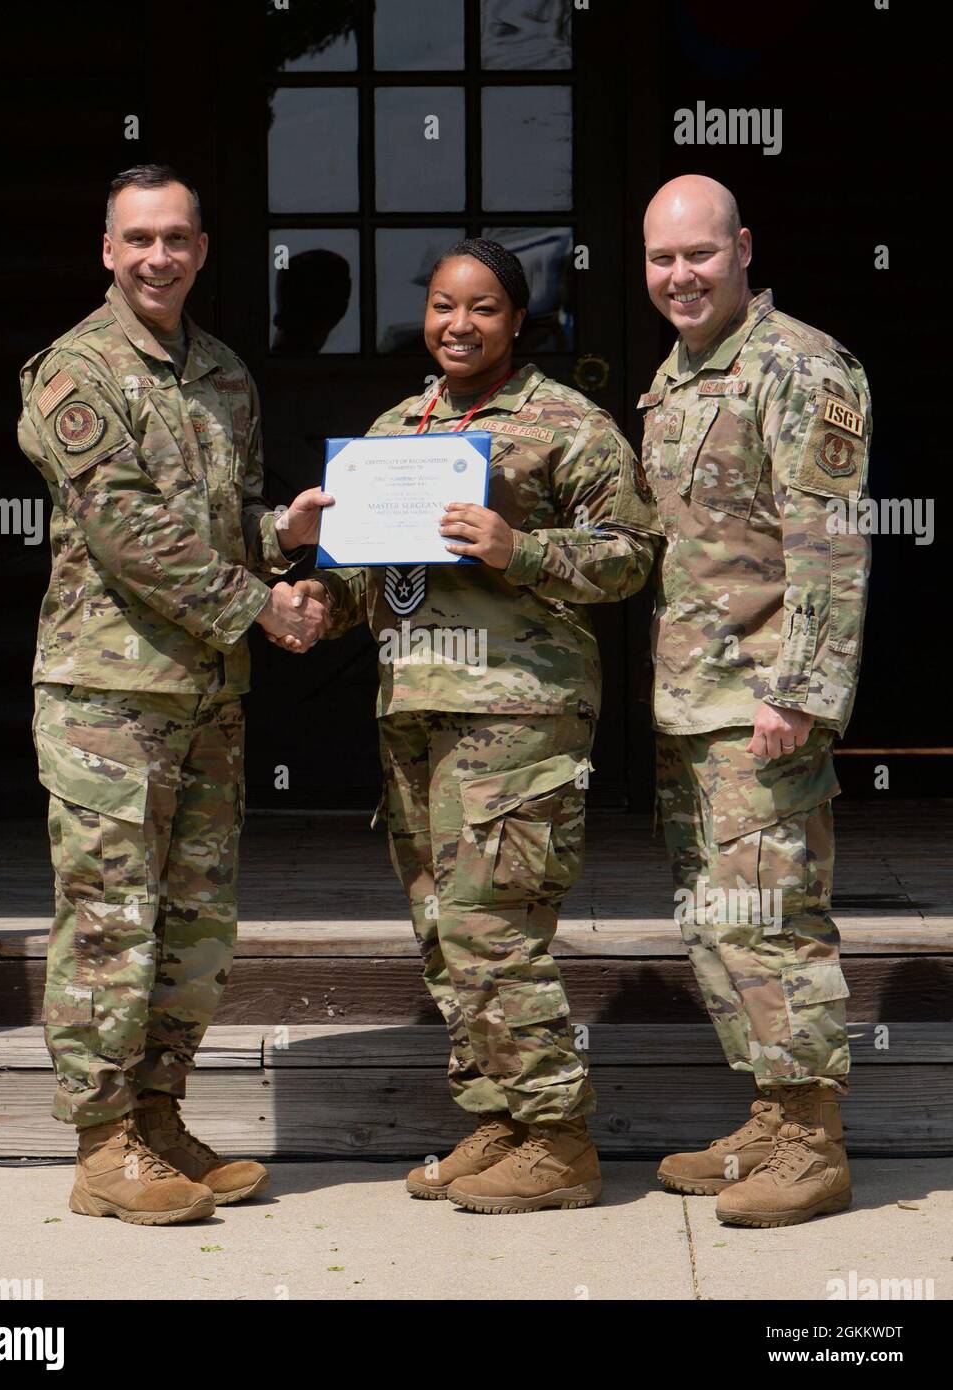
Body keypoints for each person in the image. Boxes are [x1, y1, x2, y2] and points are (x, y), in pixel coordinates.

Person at [275, 238, 662, 1213]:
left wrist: (519, 548)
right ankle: (502, 1115)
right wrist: (322, 593)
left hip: (516, 715)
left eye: (482, 307)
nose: (458, 323)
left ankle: (559, 1137)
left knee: (495, 926)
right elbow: (372, 572)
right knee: (445, 931)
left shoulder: (565, 425)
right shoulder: (396, 428)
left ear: (516, 320)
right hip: (414, 715)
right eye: (443, 305)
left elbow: (630, 556)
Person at [17, 164, 330, 1225]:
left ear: (202, 249)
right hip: (107, 694)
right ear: (107, 250)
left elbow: (214, 523)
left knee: (193, 923)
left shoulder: (224, 374)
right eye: (138, 238)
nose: (159, 256)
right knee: (109, 921)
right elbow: (131, 537)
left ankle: (157, 1115)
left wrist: (277, 538)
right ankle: (101, 1144)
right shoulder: (74, 371)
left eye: (178, 238)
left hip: (205, 695)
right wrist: (262, 606)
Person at [638, 175, 871, 1226]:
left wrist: (800, 692)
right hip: (693, 699)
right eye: (658, 259)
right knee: (718, 919)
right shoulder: (676, 376)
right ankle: (771, 1112)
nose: (678, 276)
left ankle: (812, 1138)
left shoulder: (797, 364)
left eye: (696, 254)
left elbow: (825, 548)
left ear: (741, 249)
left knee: (772, 917)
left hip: (759, 698)